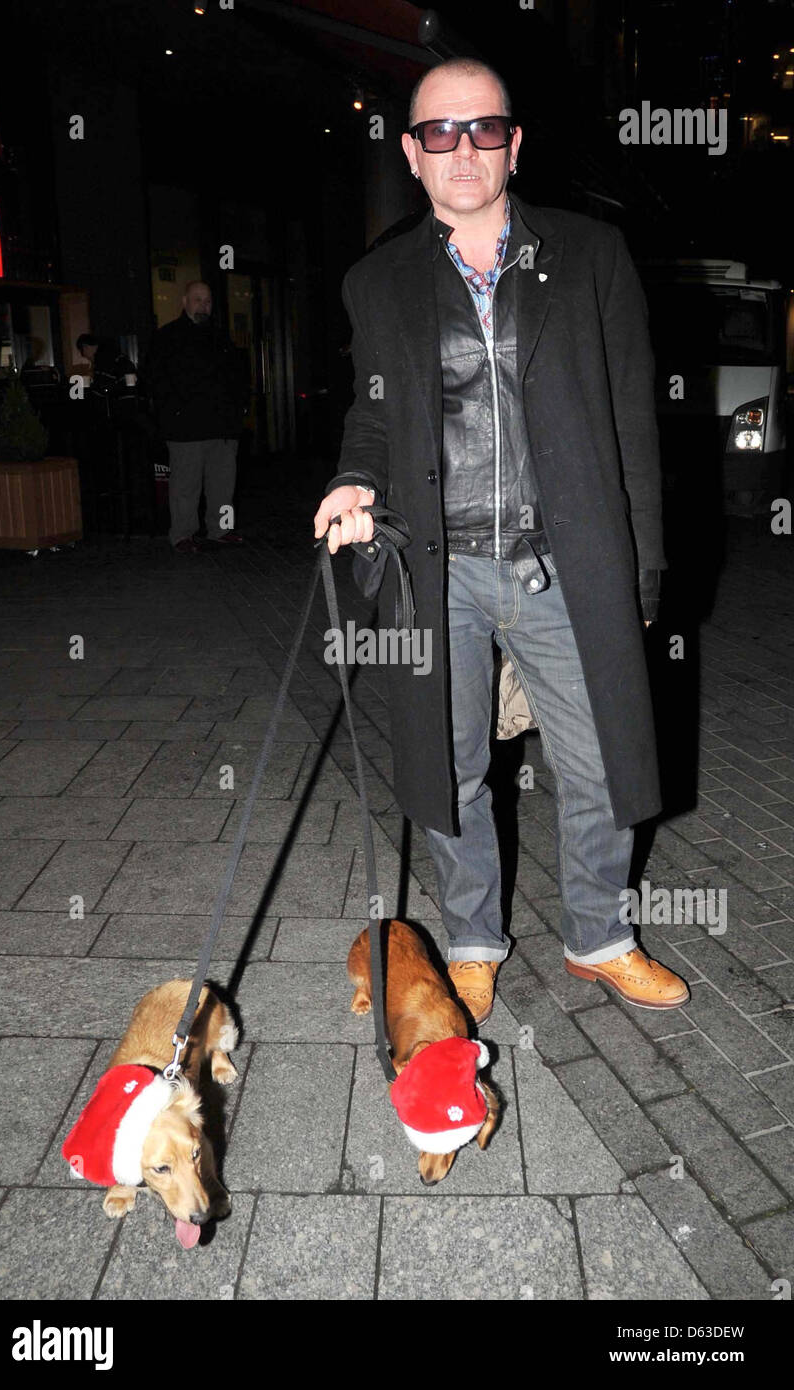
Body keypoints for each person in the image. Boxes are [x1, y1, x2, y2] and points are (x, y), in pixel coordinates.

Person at [314, 58, 689, 1026]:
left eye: (483, 129)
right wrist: (353, 480)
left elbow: (632, 427)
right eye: (439, 133)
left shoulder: (592, 254)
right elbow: (372, 411)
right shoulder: (378, 280)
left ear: (513, 143)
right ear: (410, 152)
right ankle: (473, 939)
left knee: (604, 756)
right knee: (449, 763)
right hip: (437, 567)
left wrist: (640, 569)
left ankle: (599, 934)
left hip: (562, 557)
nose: (463, 149)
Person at [143, 282, 248, 553]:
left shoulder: (219, 336)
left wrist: (237, 411)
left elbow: (235, 375)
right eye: (198, 300)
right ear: (184, 301)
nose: (204, 306)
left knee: (223, 486)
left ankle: (221, 529)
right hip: (186, 427)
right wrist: (173, 413)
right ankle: (182, 534)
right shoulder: (167, 337)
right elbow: (157, 380)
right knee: (185, 486)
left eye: (208, 301)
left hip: (222, 427)